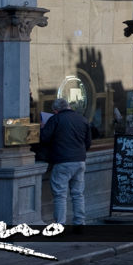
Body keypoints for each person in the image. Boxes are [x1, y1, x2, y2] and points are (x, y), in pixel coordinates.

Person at [40, 97, 91, 226]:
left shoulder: (55, 119)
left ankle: (60, 224)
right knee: (78, 194)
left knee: (60, 195)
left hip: (62, 161)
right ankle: (79, 223)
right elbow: (88, 143)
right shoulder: (82, 119)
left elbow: (44, 138)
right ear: (68, 106)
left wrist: (42, 128)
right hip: (80, 161)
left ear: (56, 110)